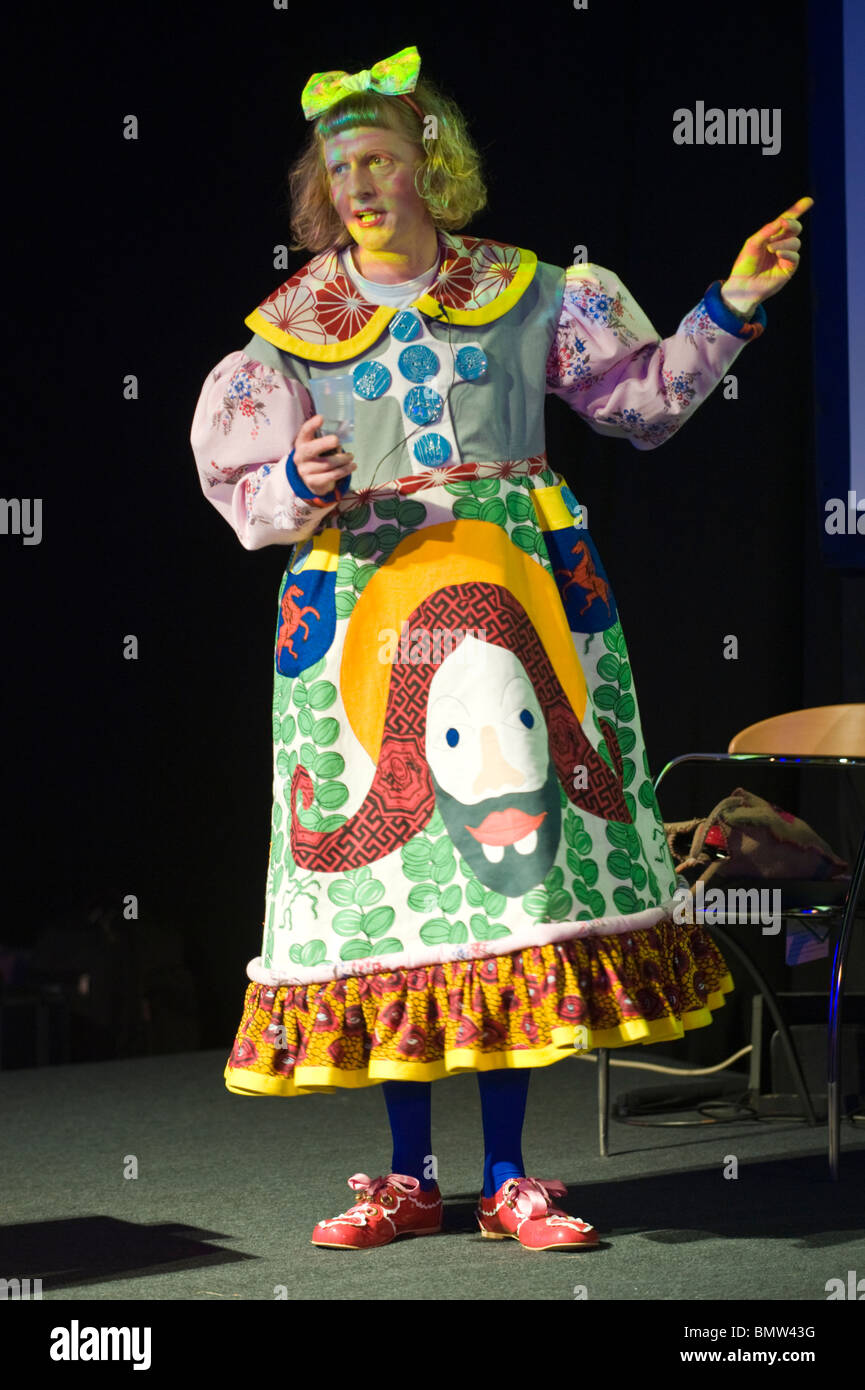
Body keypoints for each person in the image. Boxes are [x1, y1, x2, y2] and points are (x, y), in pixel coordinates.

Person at [190, 44, 812, 1252]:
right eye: (340, 168)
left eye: (379, 159)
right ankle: (407, 1176)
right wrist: (294, 479)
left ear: (429, 163)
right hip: (364, 632)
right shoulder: (291, 329)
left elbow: (642, 404)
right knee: (397, 894)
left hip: (522, 609)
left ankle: (517, 1175)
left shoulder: (528, 289)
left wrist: (728, 305)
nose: (360, 185)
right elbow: (238, 490)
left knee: (515, 885)